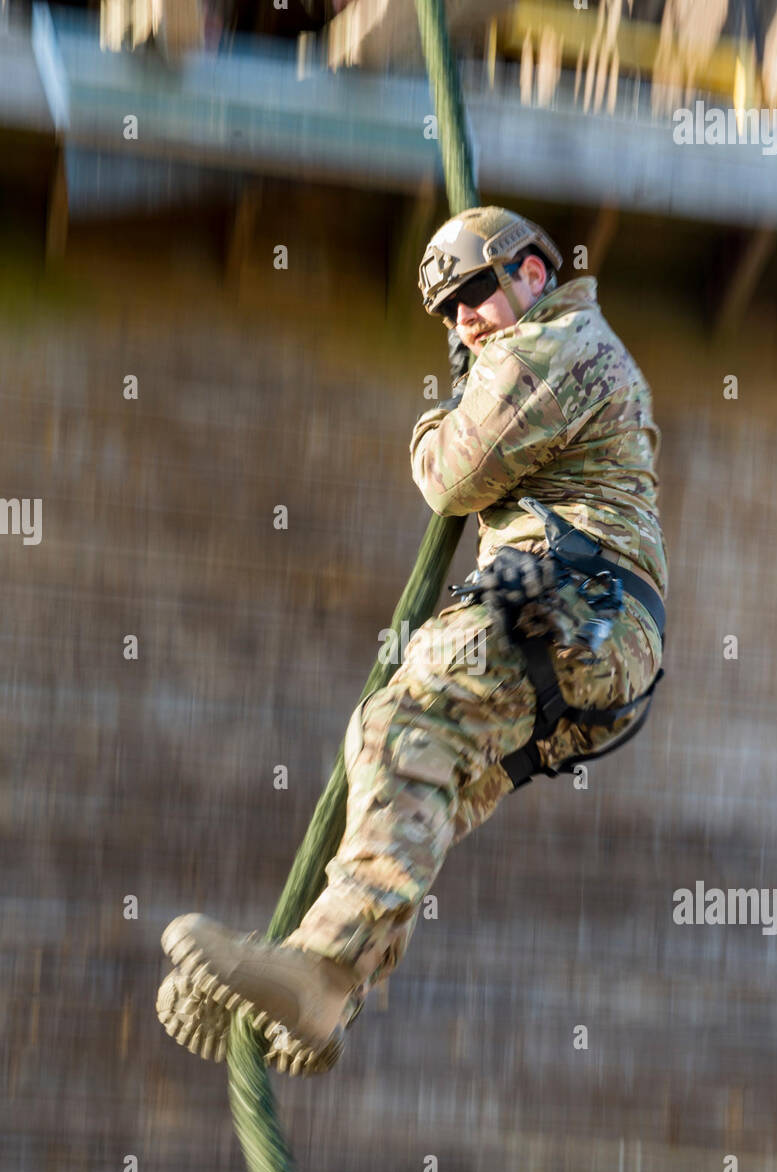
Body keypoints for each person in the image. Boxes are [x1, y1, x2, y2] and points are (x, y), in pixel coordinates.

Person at [156, 205, 668, 1076]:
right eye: (450, 310)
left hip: (572, 605)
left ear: (533, 275)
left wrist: (437, 421)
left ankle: (316, 970)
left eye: (476, 291)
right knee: (420, 782)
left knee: (400, 724)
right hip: (588, 656)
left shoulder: (560, 343)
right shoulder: (536, 347)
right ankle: (329, 984)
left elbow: (453, 476)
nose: (464, 318)